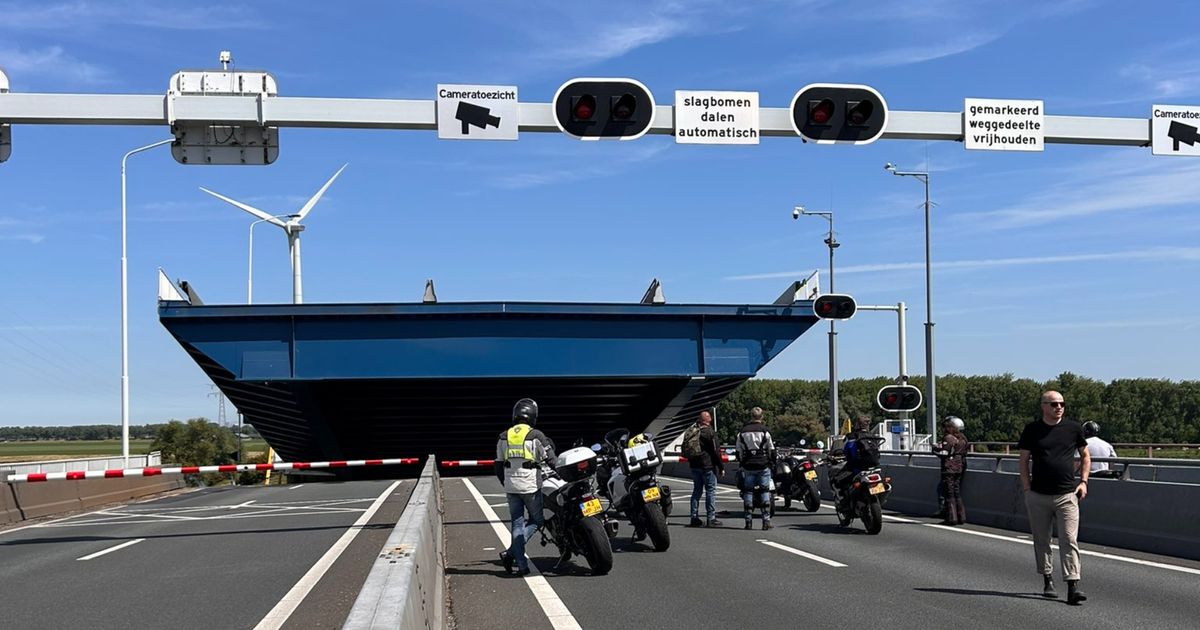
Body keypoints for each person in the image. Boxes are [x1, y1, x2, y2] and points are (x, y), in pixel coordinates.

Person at [1019, 390, 1090, 605]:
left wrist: (1084, 482)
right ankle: (1047, 579)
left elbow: (1085, 455)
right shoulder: (1032, 430)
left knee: (1069, 539)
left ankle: (1072, 585)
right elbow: (1023, 461)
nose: (1059, 407)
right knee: (1042, 540)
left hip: (1067, 494)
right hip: (1038, 495)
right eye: (1054, 404)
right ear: (1043, 406)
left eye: (1062, 404)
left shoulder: (1073, 428)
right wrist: (1027, 489)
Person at [495, 398, 555, 576]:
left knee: (517, 524)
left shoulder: (503, 436)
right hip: (530, 485)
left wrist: (504, 482)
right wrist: (561, 471)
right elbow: (550, 458)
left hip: (511, 486)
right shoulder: (536, 435)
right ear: (533, 417)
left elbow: (498, 465)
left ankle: (521, 566)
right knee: (537, 520)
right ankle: (510, 553)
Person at [736, 407, 776, 530]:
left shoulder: (742, 432)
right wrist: (772, 462)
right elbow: (772, 450)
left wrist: (742, 462)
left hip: (748, 466)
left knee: (748, 492)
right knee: (765, 492)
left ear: (751, 416)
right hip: (763, 465)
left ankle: (748, 521)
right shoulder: (765, 431)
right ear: (761, 417)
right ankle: (766, 521)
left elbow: (738, 451)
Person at [685, 410, 725, 528]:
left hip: (694, 465)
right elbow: (716, 452)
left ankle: (694, 517)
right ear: (708, 420)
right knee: (710, 491)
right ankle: (711, 518)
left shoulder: (693, 431)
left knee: (696, 491)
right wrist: (721, 466)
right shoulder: (709, 432)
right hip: (707, 466)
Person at [934, 416, 969, 525]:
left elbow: (944, 453)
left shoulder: (948, 438)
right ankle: (961, 517)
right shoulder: (963, 439)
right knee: (957, 492)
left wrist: (935, 449)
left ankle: (951, 518)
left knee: (949, 493)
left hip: (949, 468)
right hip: (959, 467)